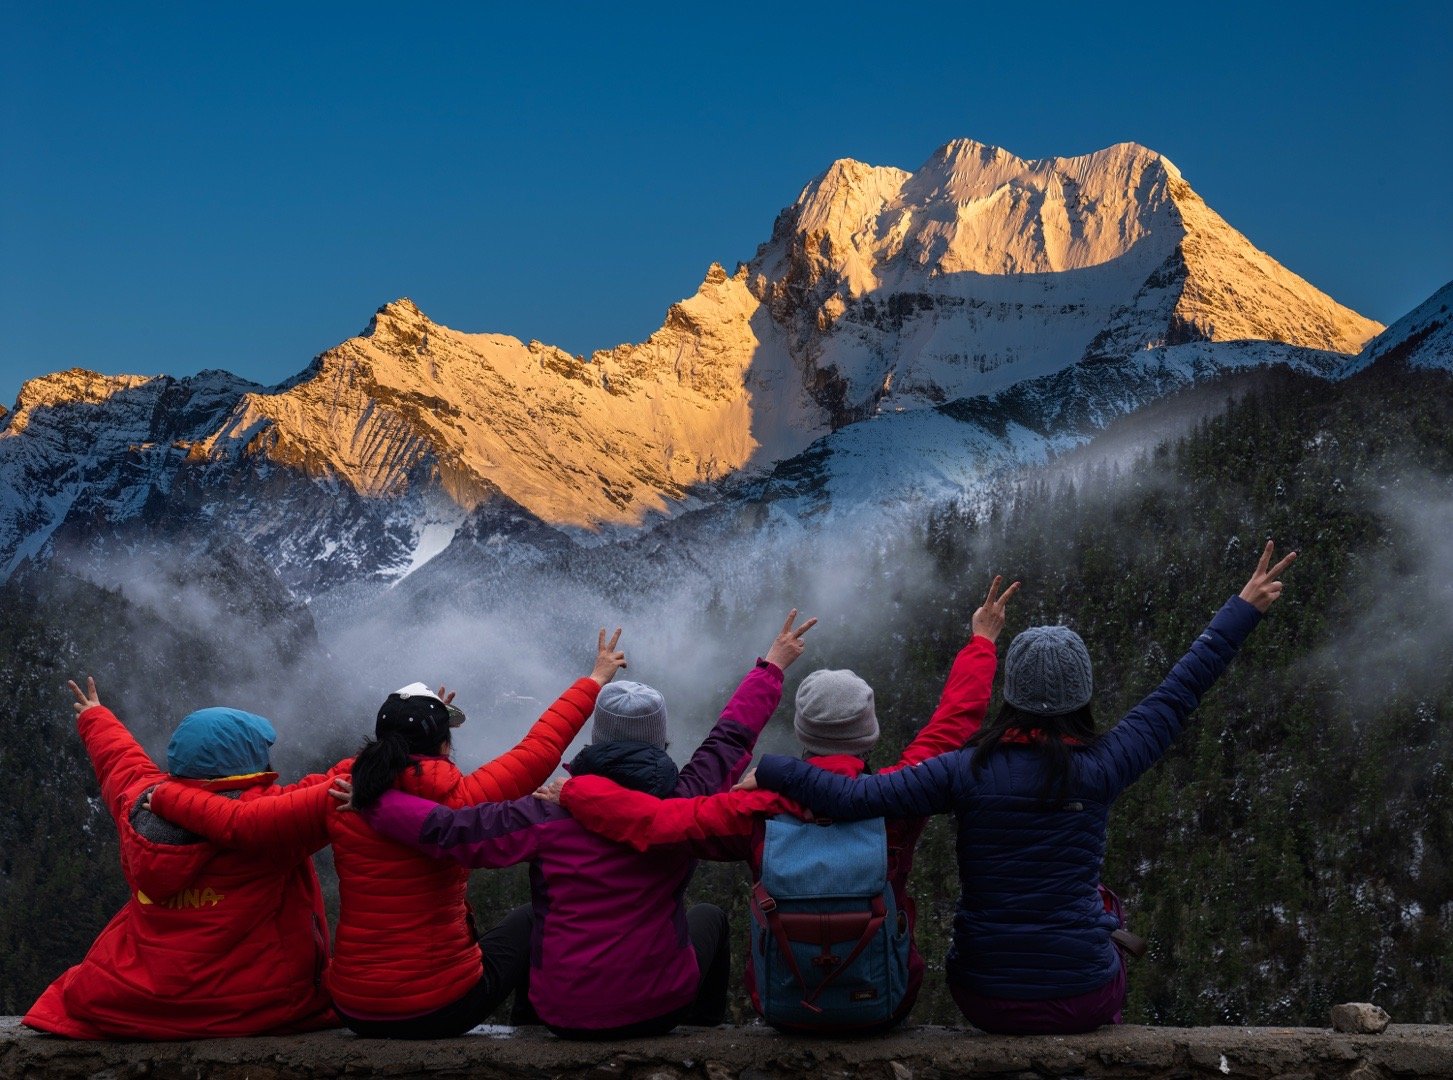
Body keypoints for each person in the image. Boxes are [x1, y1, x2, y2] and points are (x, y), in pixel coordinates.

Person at [745, 541, 1296, 1035]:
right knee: (1105, 909)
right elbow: (1180, 691)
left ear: (1012, 694)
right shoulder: (1104, 766)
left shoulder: (964, 770)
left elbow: (852, 799)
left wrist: (770, 767)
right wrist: (1241, 610)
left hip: (984, 998)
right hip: (1084, 997)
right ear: (1081, 696)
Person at [543, 575, 1020, 1032]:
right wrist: (981, 641)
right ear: (869, 736)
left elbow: (656, 821)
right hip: (883, 1002)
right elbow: (953, 724)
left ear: (801, 735)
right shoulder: (897, 798)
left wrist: (576, 790)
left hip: (785, 1002)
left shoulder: (757, 808)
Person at [337, 610, 818, 1038]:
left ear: (598, 737)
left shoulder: (545, 812)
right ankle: (702, 1037)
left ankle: (527, 1037)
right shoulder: (684, 800)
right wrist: (771, 667)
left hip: (562, 1014)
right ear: (662, 740)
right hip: (659, 1007)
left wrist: (373, 799)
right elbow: (729, 740)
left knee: (531, 920)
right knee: (709, 917)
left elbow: (450, 831)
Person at [142, 630, 626, 1039]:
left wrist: (165, 796)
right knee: (529, 919)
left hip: (354, 1007)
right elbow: (540, 748)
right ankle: (537, 1032)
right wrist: (596, 678)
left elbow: (243, 820)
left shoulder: (342, 789)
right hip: (440, 1007)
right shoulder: (462, 799)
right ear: (443, 744)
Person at [23, 682, 335, 1038]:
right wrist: (396, 749)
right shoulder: (273, 820)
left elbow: (120, 762)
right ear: (250, 764)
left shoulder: (142, 803)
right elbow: (338, 785)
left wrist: (96, 717)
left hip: (142, 1000)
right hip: (258, 1004)